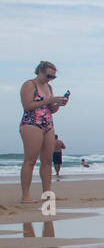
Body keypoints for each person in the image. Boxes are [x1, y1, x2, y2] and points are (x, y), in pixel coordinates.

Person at [18, 61, 70, 203]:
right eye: (48, 75)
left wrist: (58, 104)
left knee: (47, 161)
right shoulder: (29, 85)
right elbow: (27, 105)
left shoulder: (49, 87)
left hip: (48, 123)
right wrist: (49, 100)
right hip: (31, 123)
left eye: (53, 77)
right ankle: (26, 196)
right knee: (30, 160)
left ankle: (47, 193)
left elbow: (51, 109)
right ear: (39, 71)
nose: (50, 79)